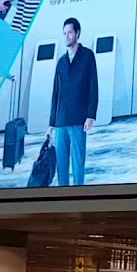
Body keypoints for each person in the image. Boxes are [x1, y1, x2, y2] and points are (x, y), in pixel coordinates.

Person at [47, 17, 98, 186]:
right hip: (61, 121)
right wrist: (51, 123)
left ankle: (78, 198)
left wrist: (90, 115)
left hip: (78, 119)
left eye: (69, 32)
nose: (67, 36)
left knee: (78, 164)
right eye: (64, 33)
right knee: (61, 167)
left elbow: (93, 86)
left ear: (77, 33)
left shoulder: (87, 56)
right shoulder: (61, 62)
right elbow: (56, 93)